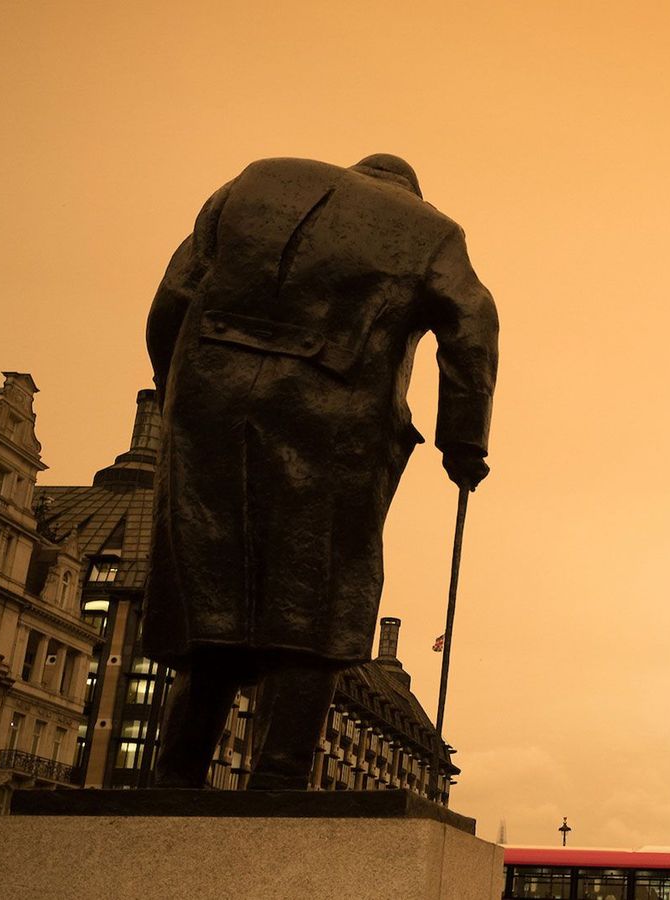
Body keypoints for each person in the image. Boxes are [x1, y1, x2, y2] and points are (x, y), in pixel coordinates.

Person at [143, 154, 499, 789]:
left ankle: (176, 774)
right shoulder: (432, 231)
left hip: (208, 397)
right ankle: (279, 778)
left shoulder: (255, 180)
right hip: (334, 416)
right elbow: (471, 326)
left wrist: (177, 384)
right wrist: (463, 443)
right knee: (320, 589)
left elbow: (174, 295)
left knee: (210, 583)